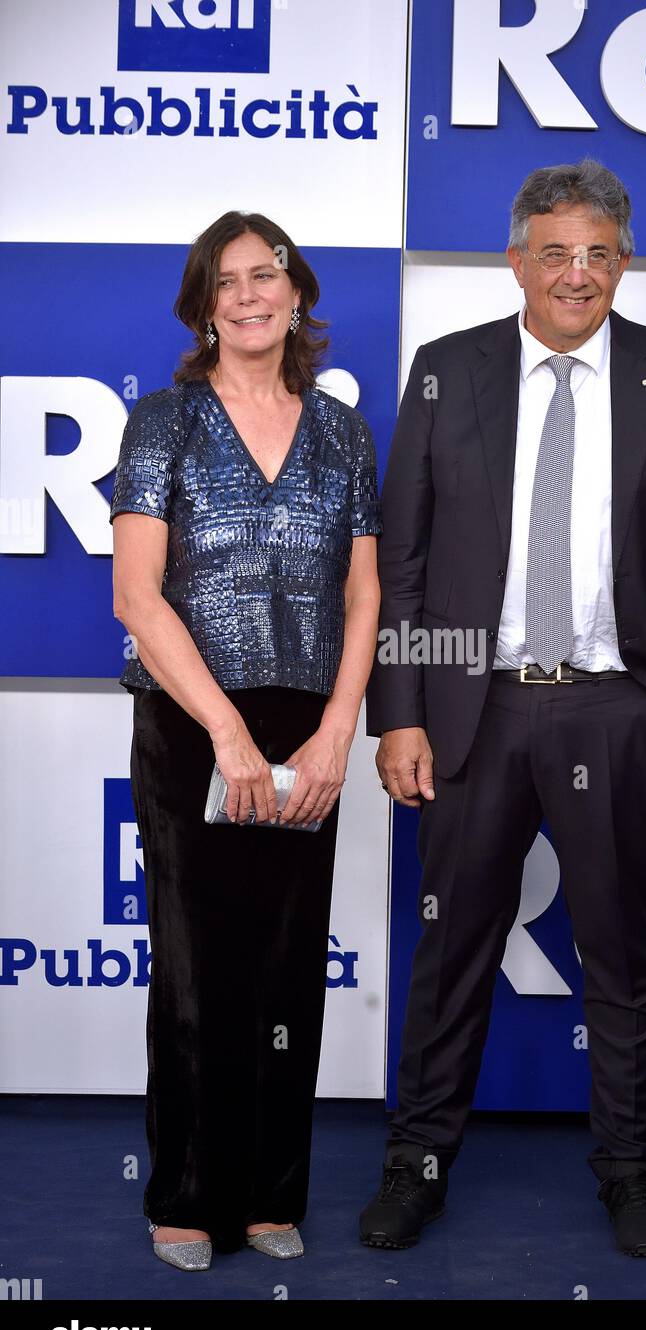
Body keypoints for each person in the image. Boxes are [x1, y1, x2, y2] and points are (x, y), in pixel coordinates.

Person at [360, 159, 646, 1256]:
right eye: (554, 251)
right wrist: (399, 713)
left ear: (624, 261)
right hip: (470, 714)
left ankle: (629, 1172)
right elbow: (403, 562)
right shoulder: (448, 372)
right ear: (516, 259)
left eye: (597, 252)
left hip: (615, 713)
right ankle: (417, 1164)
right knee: (449, 955)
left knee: (623, 958)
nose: (575, 273)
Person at [110, 210, 381, 1270]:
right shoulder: (162, 424)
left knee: (283, 969)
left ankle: (270, 1195)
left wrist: (335, 734)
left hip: (307, 722)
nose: (252, 293)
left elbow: (362, 597)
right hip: (190, 723)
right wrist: (223, 728)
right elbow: (138, 596)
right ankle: (186, 1192)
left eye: (267, 273)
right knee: (193, 967)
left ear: (297, 291)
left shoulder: (346, 431)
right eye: (228, 281)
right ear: (203, 305)